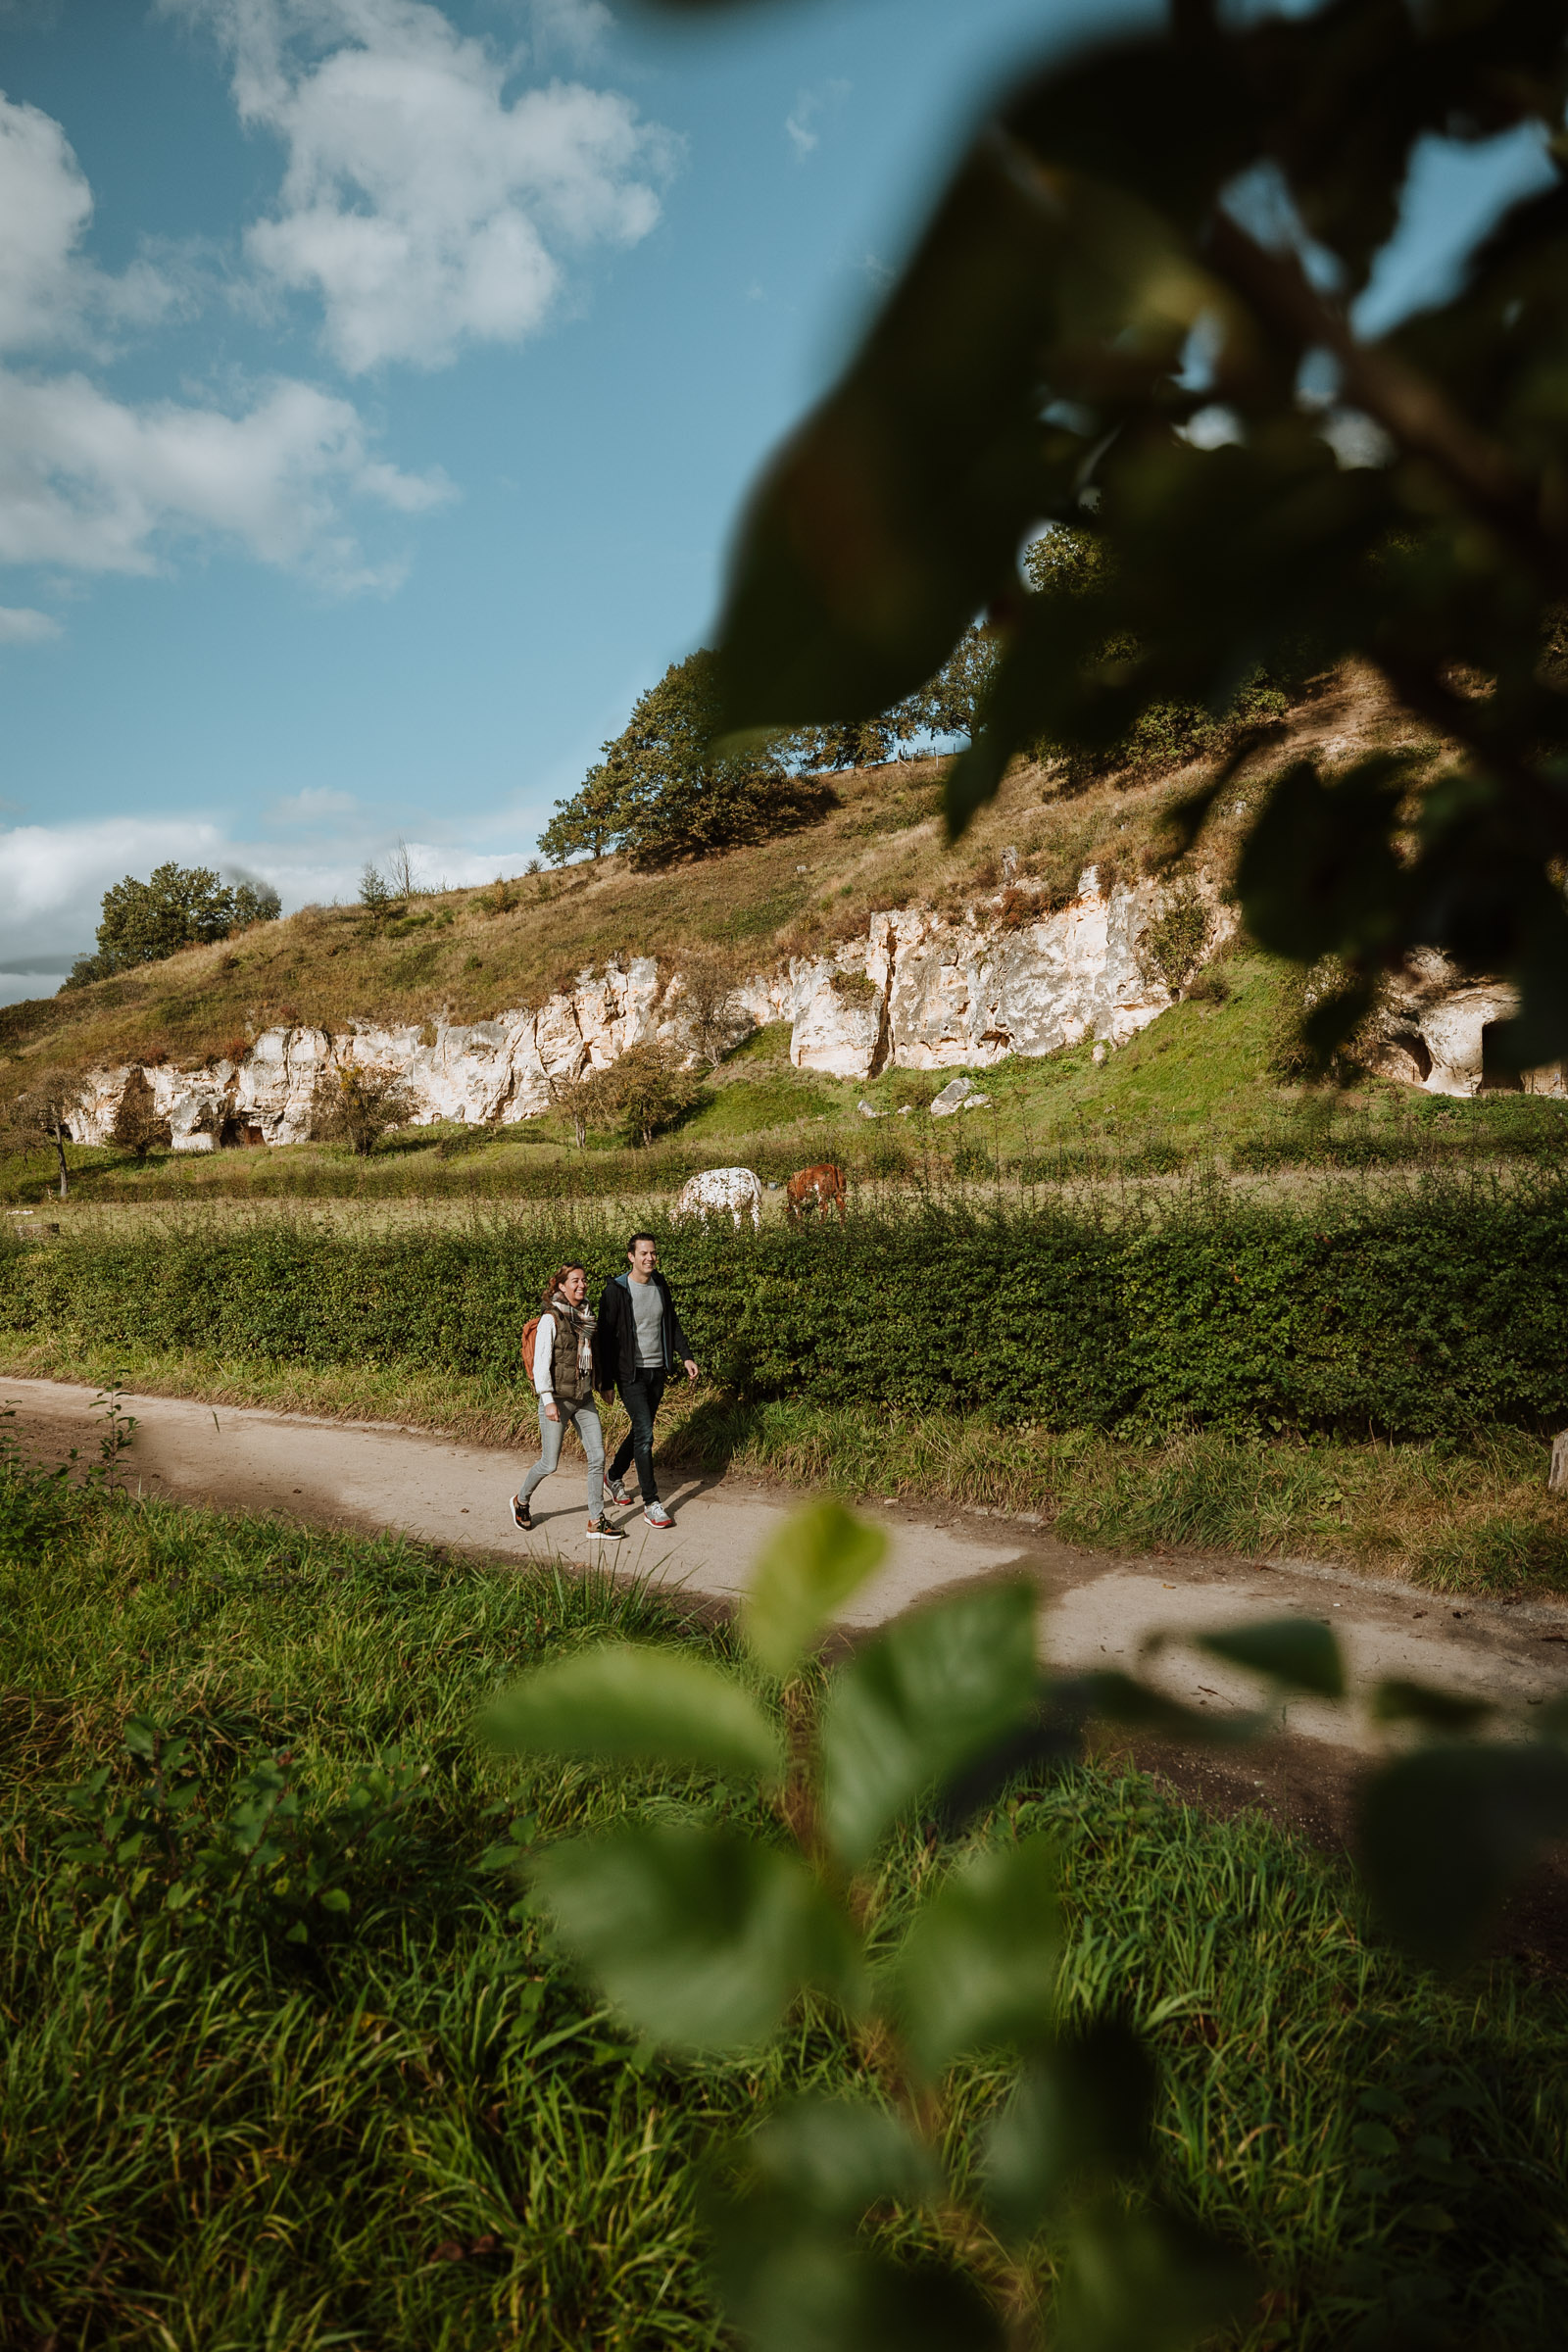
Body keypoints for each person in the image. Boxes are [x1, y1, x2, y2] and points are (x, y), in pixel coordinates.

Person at [510, 1262, 625, 1542]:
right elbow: (541, 1365)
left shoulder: (587, 1316)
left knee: (597, 1457)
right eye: (575, 1281)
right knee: (550, 1463)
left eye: (584, 1280)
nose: (582, 1285)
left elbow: (593, 1355)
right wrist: (547, 1401)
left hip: (583, 1398)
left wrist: (602, 1386)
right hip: (557, 1401)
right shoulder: (552, 1318)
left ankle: (596, 1521)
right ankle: (521, 1501)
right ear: (561, 1286)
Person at [595, 1231, 699, 1529]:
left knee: (643, 1431)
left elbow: (672, 1321)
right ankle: (652, 1502)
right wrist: (605, 1384)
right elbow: (603, 1339)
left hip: (657, 1371)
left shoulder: (660, 1283)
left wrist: (686, 1356)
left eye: (653, 1253)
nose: (650, 1258)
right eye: (643, 1253)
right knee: (646, 1434)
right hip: (630, 1375)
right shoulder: (616, 1290)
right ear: (631, 1257)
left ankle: (613, 1476)